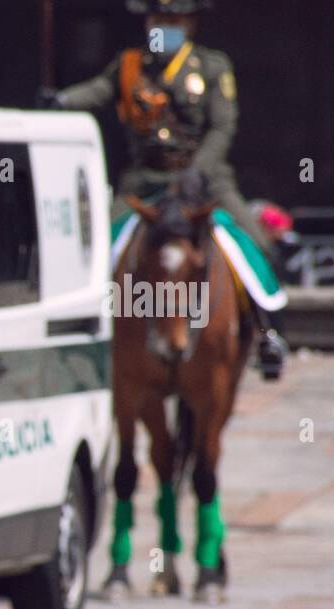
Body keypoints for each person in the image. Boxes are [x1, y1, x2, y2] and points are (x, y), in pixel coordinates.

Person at [44, 0, 286, 377]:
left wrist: (199, 171)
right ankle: (90, 339)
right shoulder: (130, 65)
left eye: (173, 19)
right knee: (93, 249)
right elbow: (99, 91)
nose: (164, 26)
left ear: (189, 23)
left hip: (204, 181)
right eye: (158, 19)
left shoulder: (211, 67)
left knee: (254, 243)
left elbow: (222, 127)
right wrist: (62, 99)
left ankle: (269, 333)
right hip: (146, 181)